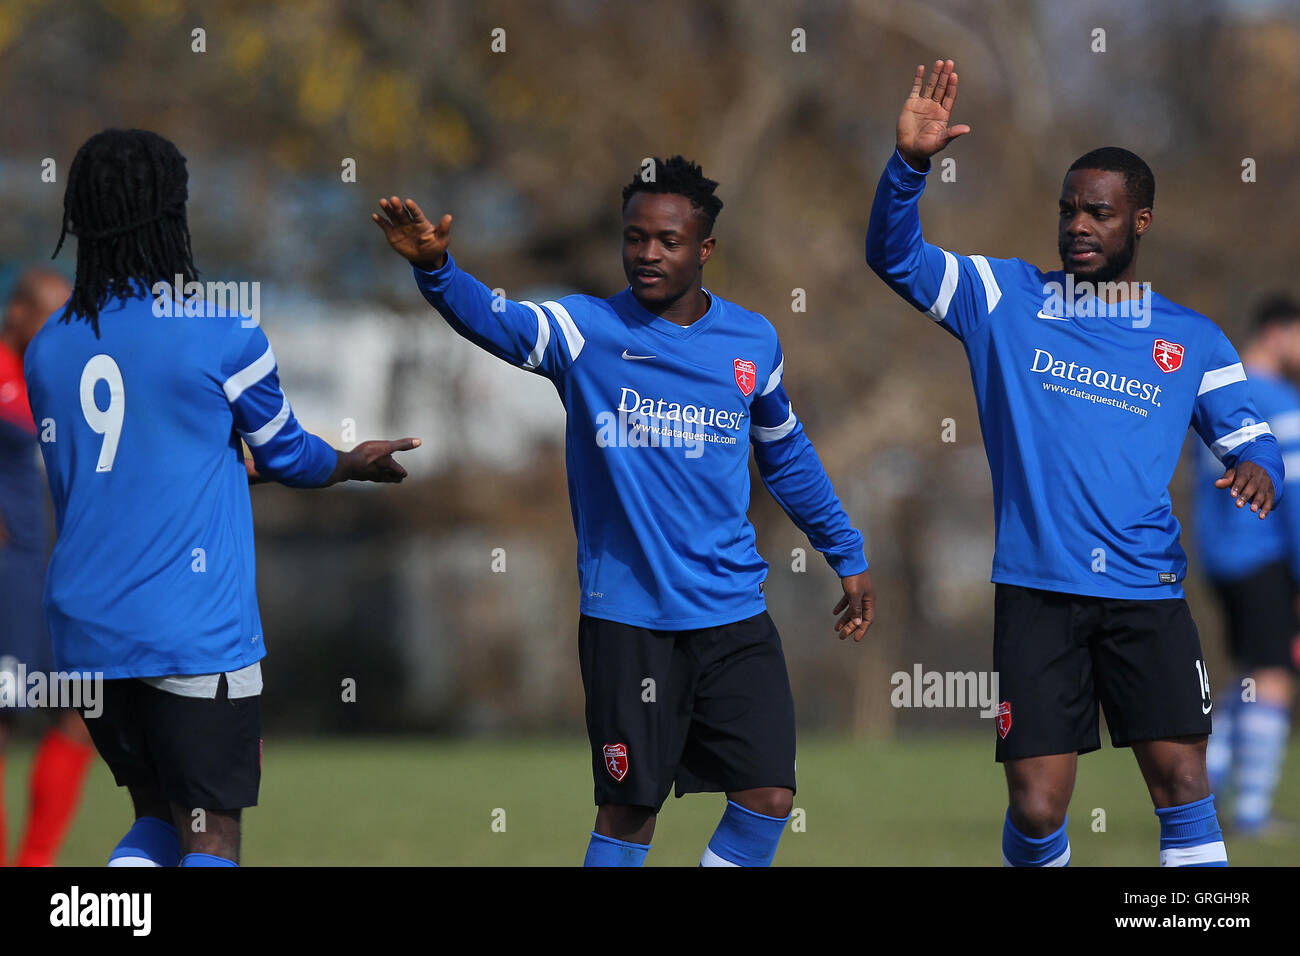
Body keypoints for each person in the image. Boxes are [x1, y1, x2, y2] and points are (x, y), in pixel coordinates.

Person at [374, 156, 872, 867]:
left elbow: (785, 457)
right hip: (630, 622)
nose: (647, 253)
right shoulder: (585, 331)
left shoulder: (753, 343)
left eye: (667, 240)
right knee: (630, 810)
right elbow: (497, 321)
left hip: (733, 612)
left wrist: (845, 552)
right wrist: (437, 271)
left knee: (769, 796)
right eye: (635, 237)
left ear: (704, 249)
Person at [866, 60, 1283, 867]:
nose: (1079, 226)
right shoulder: (1002, 299)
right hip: (1039, 592)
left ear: (1141, 223)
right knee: (1037, 802)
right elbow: (895, 256)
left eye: (1100, 212)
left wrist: (1255, 463)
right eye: (1069, 212)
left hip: (1147, 594)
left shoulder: (1192, 337)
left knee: (1183, 779)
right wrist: (909, 166)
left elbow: (1246, 432)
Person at [25, 128, 419, 867]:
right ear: (171, 215)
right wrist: (348, 464)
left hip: (87, 631)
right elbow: (289, 457)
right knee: (210, 833)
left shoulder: (46, 346)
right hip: (189, 629)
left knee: (156, 817)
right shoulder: (221, 333)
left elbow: (126, 473)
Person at [0, 267, 97, 867]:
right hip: (8, 578)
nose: (63, 326)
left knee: (85, 711)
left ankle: (35, 864)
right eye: (51, 314)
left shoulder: (60, 381)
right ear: (17, 314)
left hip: (63, 578)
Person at [1194, 295, 1300, 834]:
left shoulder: (1221, 391)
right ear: (1278, 334)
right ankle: (1251, 812)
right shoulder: (1279, 399)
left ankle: (1204, 774)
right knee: (1275, 675)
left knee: (1252, 675)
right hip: (1266, 556)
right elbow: (1296, 497)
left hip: (1222, 558)